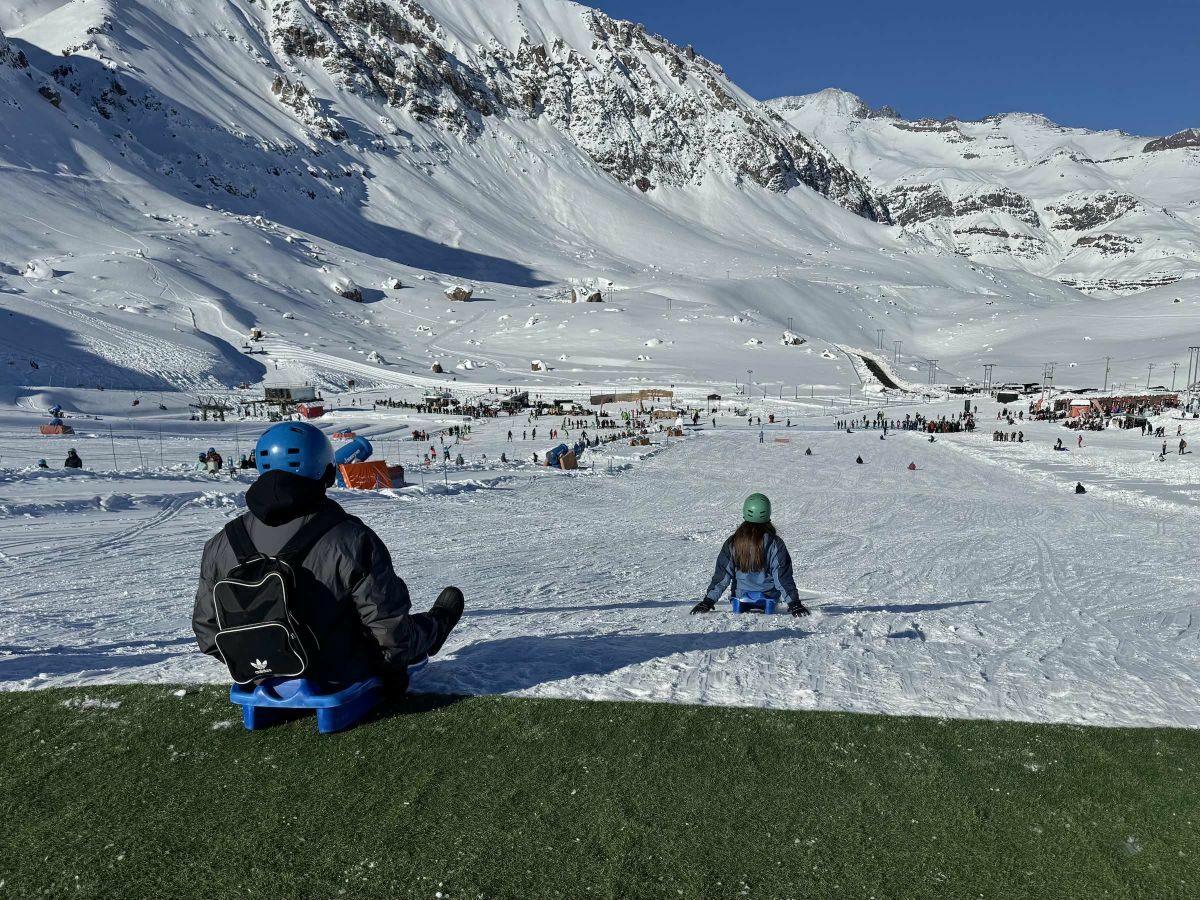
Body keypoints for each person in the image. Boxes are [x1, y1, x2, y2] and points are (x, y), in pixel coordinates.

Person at [193, 423, 463, 695]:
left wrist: (258, 665)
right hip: (338, 673)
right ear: (328, 472)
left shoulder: (221, 542)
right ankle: (436, 626)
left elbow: (207, 630)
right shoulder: (351, 537)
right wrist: (392, 670)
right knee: (409, 630)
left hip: (257, 672)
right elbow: (389, 628)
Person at [691, 494, 809, 617]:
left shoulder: (733, 542)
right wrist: (794, 602)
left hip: (740, 597)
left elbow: (722, 575)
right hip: (769, 597)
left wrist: (708, 601)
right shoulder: (775, 543)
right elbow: (782, 576)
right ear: (768, 513)